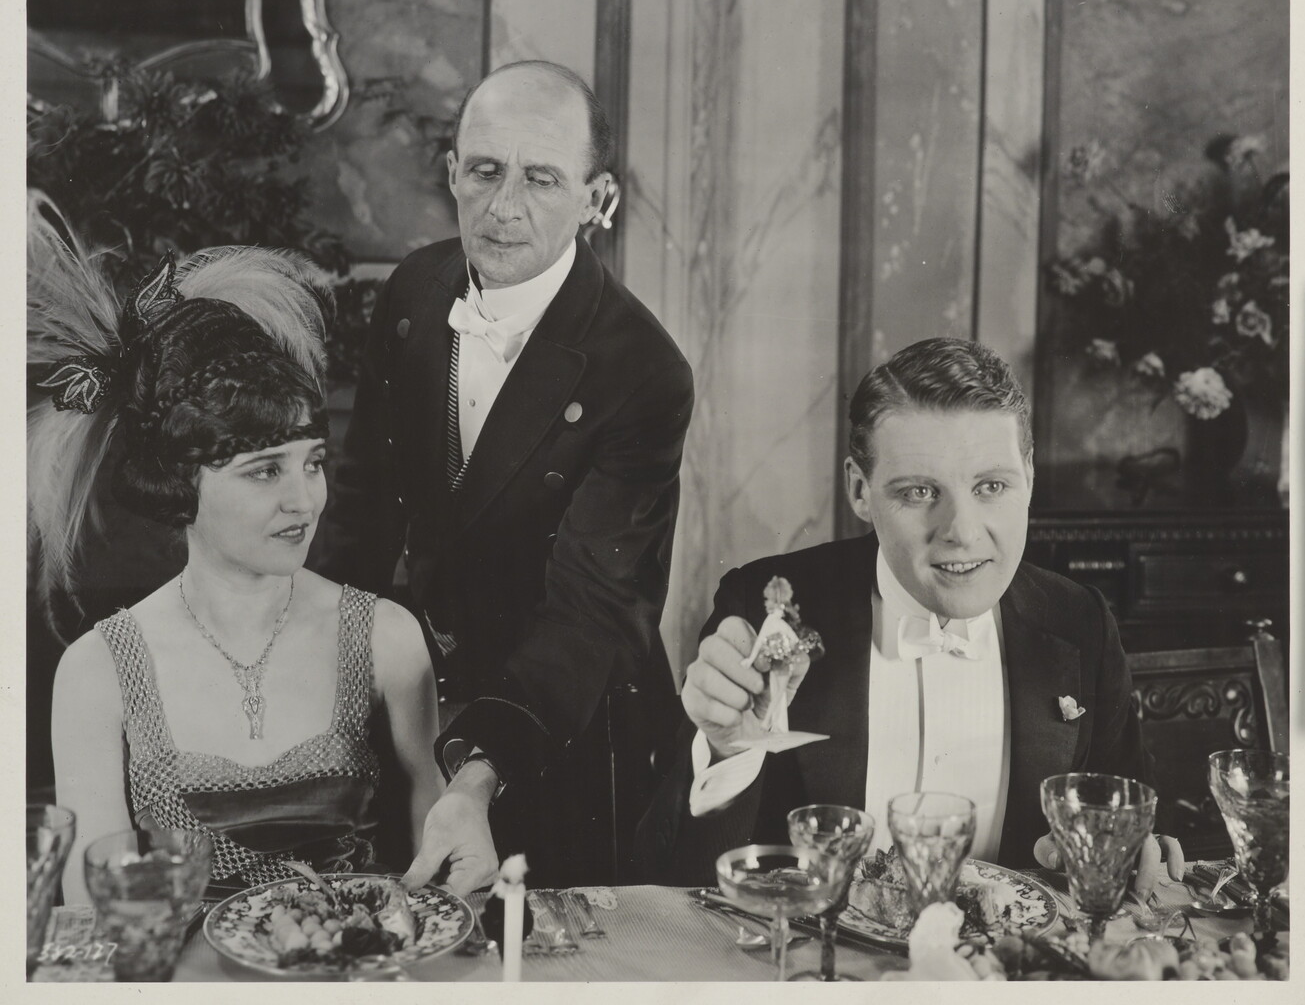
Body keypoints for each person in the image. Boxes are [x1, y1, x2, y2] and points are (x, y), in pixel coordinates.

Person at [310, 60, 693, 892]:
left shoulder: (646, 373)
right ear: (453, 173)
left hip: (567, 727)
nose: (503, 205)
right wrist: (305, 676)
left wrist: (478, 774)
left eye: (542, 179)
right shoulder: (414, 291)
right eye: (484, 171)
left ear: (599, 200)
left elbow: (592, 612)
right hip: (419, 707)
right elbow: (361, 521)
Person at [637, 337, 1182, 890]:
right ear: (859, 490)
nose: (962, 533)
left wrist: (1132, 850)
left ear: (1030, 478)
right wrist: (730, 751)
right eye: (920, 492)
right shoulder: (764, 611)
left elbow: (1123, 824)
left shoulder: (1079, 622)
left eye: (991, 486)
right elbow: (673, 883)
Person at [29, 195, 443, 905]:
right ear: (181, 481)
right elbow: (97, 913)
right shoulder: (97, 670)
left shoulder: (388, 638)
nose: (303, 500)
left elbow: (441, 854)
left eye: (311, 462)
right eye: (263, 471)